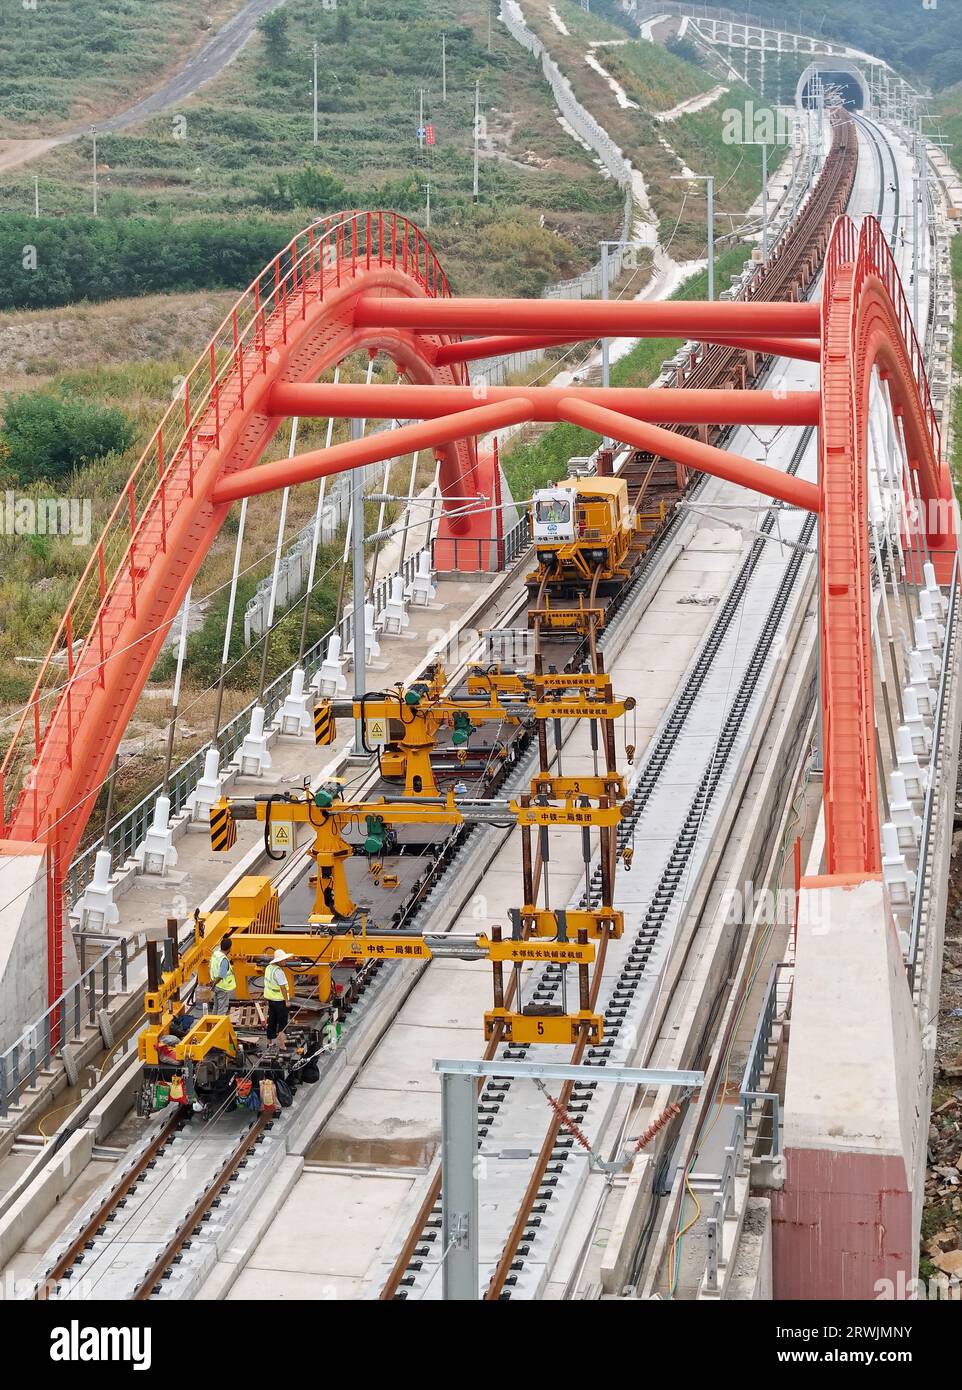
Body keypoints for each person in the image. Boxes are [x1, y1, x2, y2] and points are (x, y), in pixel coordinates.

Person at [264, 947, 293, 1049]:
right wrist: (287, 1001)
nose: (286, 961)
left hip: (271, 1000)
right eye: (284, 959)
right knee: (282, 1023)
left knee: (272, 1020)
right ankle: (282, 1044)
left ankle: (269, 1042)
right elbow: (283, 988)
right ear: (280, 961)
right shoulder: (279, 972)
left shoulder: (269, 968)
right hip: (280, 1001)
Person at [209, 936, 235, 1017]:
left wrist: (213, 983)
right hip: (222, 987)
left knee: (216, 1007)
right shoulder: (224, 960)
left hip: (216, 986)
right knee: (222, 1009)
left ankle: (213, 1024)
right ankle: (218, 1026)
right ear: (229, 948)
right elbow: (221, 975)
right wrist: (214, 983)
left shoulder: (216, 954)